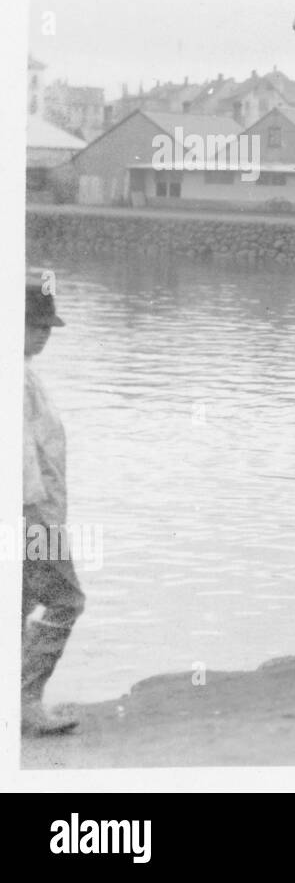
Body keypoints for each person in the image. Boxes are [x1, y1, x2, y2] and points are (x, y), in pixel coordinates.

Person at [22, 280, 84, 736]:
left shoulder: (23, 371)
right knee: (65, 600)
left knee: (19, 603)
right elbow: (23, 459)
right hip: (29, 513)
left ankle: (16, 698)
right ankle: (25, 698)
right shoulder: (14, 378)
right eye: (34, 324)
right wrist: (40, 522)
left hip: (35, 511)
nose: (44, 333)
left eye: (48, 325)